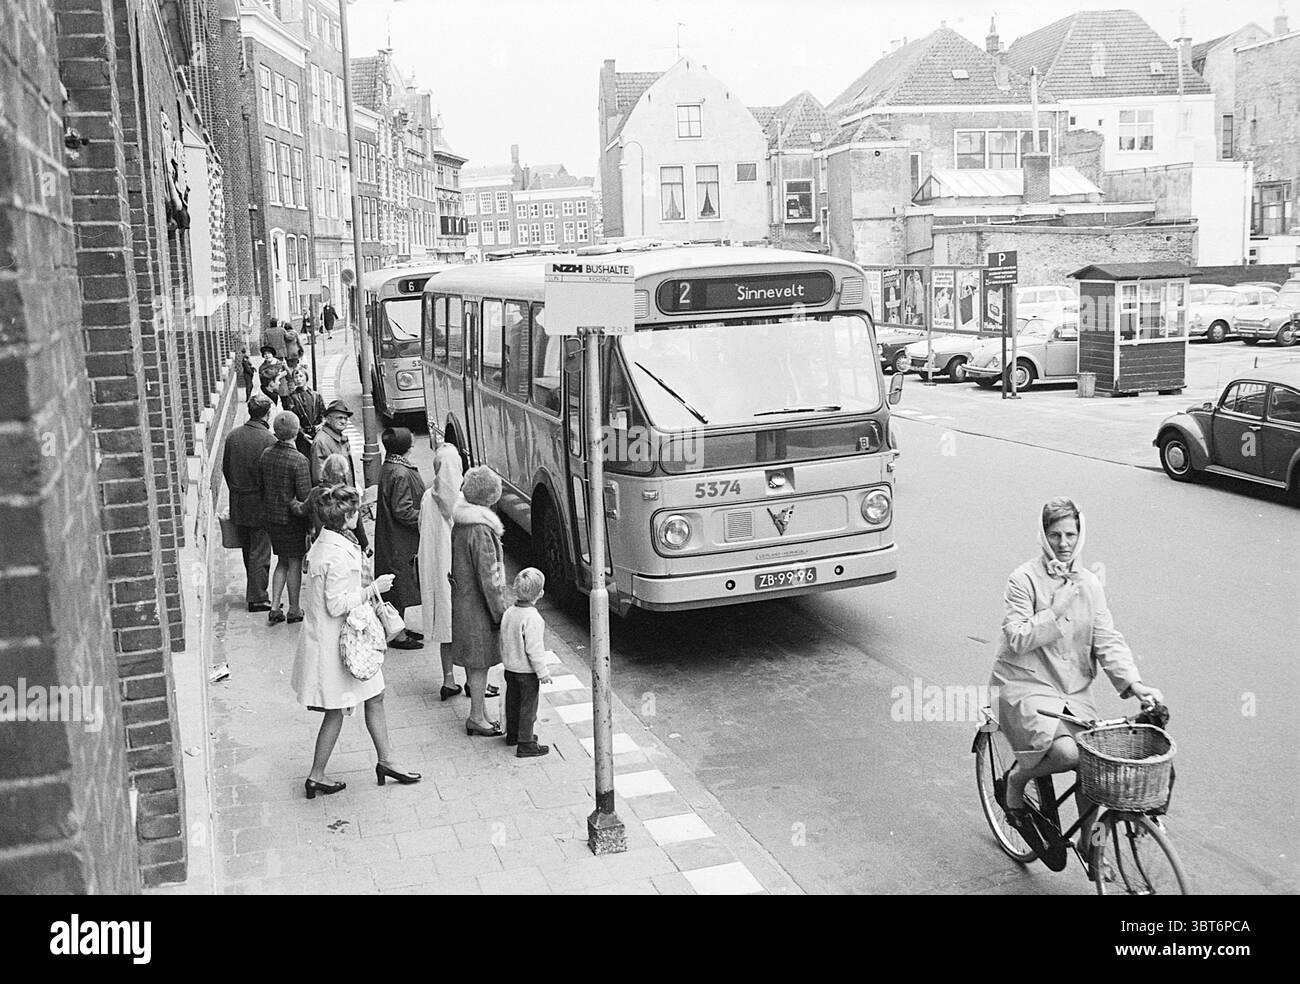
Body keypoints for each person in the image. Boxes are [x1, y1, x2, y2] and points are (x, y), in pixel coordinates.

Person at [991, 497, 1163, 865]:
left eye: (1071, 534)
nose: (1064, 543)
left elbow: (1107, 639)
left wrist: (1135, 685)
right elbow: (1017, 637)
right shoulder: (1022, 579)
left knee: (1093, 759)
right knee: (1069, 754)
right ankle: (1017, 782)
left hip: (1073, 689)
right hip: (1026, 683)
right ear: (1043, 535)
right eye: (1055, 535)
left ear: (1080, 535)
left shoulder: (1089, 583)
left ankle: (1088, 841)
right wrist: (1055, 609)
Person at [291, 485, 421, 799]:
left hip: (342, 641)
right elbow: (336, 604)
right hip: (342, 644)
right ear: (347, 517)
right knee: (341, 708)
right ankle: (319, 774)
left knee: (368, 698)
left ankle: (382, 762)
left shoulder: (327, 542)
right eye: (357, 512)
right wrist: (374, 588)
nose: (360, 516)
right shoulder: (336, 554)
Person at [449, 466, 510, 737]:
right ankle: (476, 716)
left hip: (465, 601)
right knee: (480, 663)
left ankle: (481, 713)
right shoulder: (481, 531)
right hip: (478, 608)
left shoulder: (462, 523)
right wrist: (501, 612)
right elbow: (491, 577)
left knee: (477, 664)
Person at [418, 433, 467, 700]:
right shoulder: (462, 501)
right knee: (468, 629)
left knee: (445, 626)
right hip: (459, 574)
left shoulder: (428, 496)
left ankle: (448, 679)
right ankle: (474, 680)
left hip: (436, 571)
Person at [221, 393, 277, 612]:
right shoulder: (269, 440)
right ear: (267, 414)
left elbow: (226, 469)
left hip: (238, 502)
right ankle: (258, 598)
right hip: (259, 505)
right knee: (260, 552)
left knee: (248, 549)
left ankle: (255, 591)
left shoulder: (233, 436)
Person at [257, 411, 312, 625]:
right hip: (292, 521)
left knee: (281, 561)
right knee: (295, 563)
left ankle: (274, 606)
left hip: (271, 518)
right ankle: (294, 608)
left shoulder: (266, 454)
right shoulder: (299, 460)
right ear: (296, 431)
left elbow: (261, 487)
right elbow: (305, 497)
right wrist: (310, 527)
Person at [374, 427, 425, 651]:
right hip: (400, 539)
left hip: (392, 536)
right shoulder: (401, 473)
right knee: (399, 584)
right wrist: (424, 518)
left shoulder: (391, 467)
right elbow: (402, 510)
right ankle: (397, 633)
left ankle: (398, 625)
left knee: (397, 582)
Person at [499, 568, 554, 758]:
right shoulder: (533, 618)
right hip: (526, 672)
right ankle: (526, 743)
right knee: (528, 707)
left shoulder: (509, 612)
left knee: (512, 702)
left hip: (510, 668)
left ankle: (513, 734)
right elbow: (534, 649)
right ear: (540, 594)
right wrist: (543, 672)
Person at [304, 452, 369, 553]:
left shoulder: (315, 492)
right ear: (344, 473)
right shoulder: (347, 494)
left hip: (322, 540)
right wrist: (364, 545)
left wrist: (292, 502)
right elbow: (358, 525)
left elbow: (302, 510)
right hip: (344, 542)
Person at [283, 366, 324, 459]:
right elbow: (292, 419)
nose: (298, 379)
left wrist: (321, 424)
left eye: (301, 376)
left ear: (306, 377)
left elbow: (324, 414)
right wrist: (302, 434)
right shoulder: (292, 398)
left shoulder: (316, 395)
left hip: (317, 434)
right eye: (296, 377)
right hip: (303, 436)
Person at [311, 399, 353, 486]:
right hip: (335, 496)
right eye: (339, 418)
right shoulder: (321, 441)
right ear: (328, 419)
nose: (343, 421)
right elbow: (320, 479)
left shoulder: (340, 438)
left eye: (345, 418)